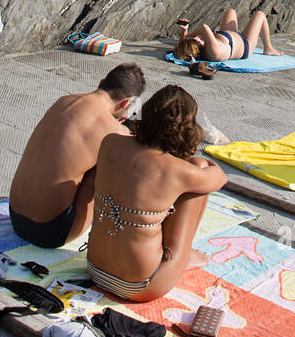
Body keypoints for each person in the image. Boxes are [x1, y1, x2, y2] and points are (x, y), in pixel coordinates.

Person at [86, 85, 226, 302]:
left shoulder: (110, 142)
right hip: (142, 287)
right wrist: (195, 162)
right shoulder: (178, 171)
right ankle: (182, 257)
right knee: (199, 174)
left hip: (95, 270)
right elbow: (219, 178)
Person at [9, 63, 146, 249]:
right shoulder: (112, 130)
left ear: (102, 82)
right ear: (125, 104)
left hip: (15, 216)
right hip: (49, 231)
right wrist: (130, 117)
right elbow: (138, 146)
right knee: (109, 158)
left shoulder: (63, 101)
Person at [173, 7, 283, 64]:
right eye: (197, 40)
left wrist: (185, 32)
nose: (197, 38)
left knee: (230, 12)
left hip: (227, 37)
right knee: (260, 15)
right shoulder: (213, 52)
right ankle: (268, 48)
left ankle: (268, 47)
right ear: (198, 44)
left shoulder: (201, 47)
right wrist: (190, 35)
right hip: (245, 44)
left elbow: (183, 45)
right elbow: (204, 27)